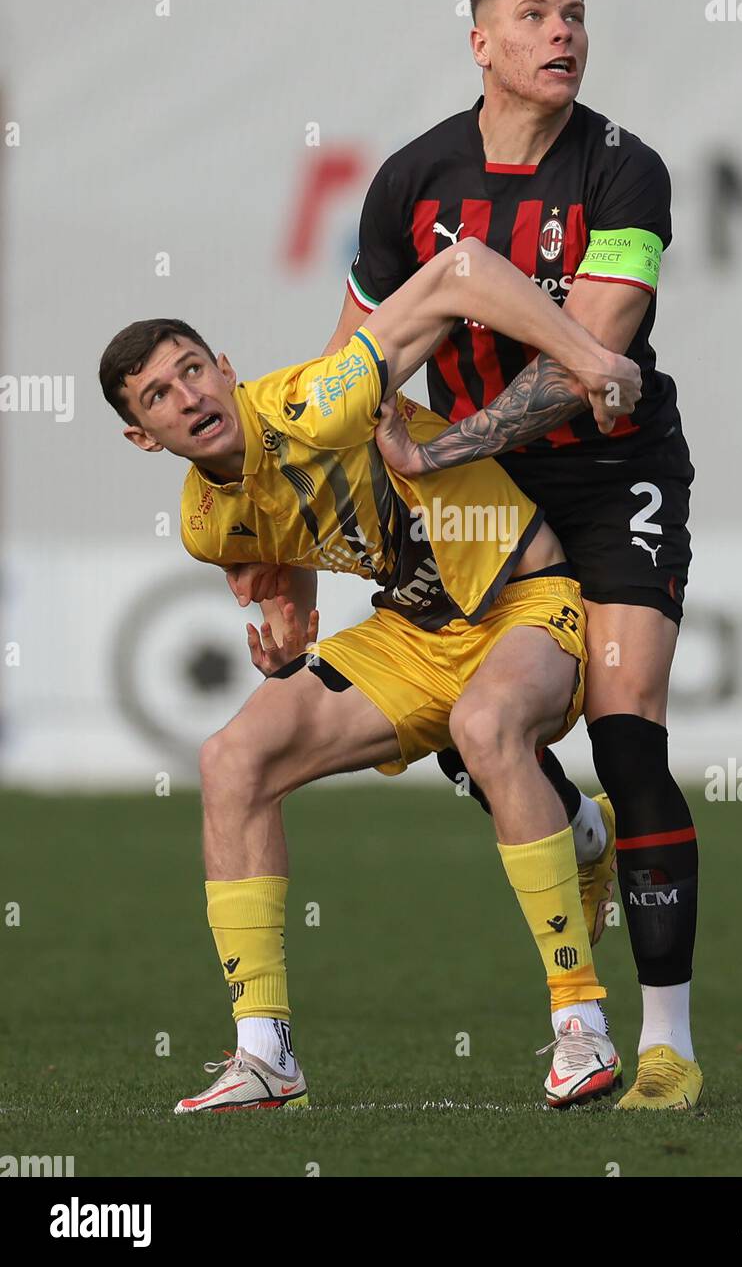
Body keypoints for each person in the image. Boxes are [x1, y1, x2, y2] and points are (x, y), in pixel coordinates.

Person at [99, 237, 642, 1112]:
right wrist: (290, 629)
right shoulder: (206, 522)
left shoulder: (317, 400)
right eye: (159, 394)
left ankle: (582, 1024)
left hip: (526, 601)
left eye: (194, 369)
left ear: (225, 368)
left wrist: (590, 359)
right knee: (231, 761)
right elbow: (289, 536)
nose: (188, 395)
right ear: (142, 436)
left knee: (484, 727)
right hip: (410, 634)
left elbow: (462, 270)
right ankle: (264, 1053)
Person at [331, 0, 702, 1111]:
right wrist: (297, 541)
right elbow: (364, 362)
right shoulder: (411, 179)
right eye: (533, 14)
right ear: (481, 42)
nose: (562, 33)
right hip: (484, 493)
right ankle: (574, 829)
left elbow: (596, 360)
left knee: (628, 734)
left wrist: (436, 448)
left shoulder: (624, 169)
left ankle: (666, 1044)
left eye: (575, 16)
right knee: (469, 729)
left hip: (612, 472)